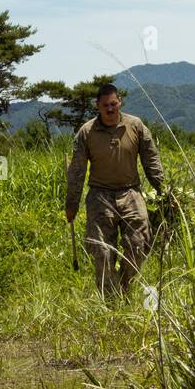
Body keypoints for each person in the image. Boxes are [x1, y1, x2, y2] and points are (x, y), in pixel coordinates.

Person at [64, 84, 165, 297]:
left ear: (120, 101)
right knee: (101, 250)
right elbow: (77, 171)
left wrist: (163, 190)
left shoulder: (136, 126)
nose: (110, 109)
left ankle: (124, 286)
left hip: (131, 193)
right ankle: (109, 300)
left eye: (113, 104)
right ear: (97, 106)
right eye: (105, 106)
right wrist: (71, 204)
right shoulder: (86, 132)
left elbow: (151, 159)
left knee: (139, 244)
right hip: (100, 195)